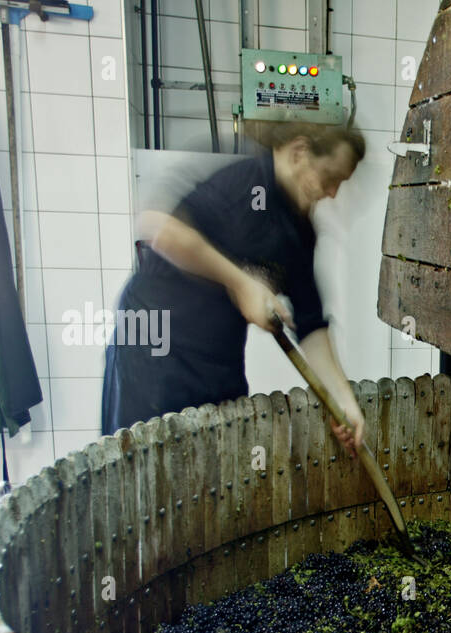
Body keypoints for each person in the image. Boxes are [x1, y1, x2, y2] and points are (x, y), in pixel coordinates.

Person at [100, 120, 366, 455]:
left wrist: (343, 400)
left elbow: (311, 325)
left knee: (213, 465)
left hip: (215, 358)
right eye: (329, 178)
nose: (331, 193)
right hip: (156, 347)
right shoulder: (246, 183)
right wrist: (241, 283)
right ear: (299, 152)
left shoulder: (299, 231)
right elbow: (158, 228)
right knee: (148, 467)